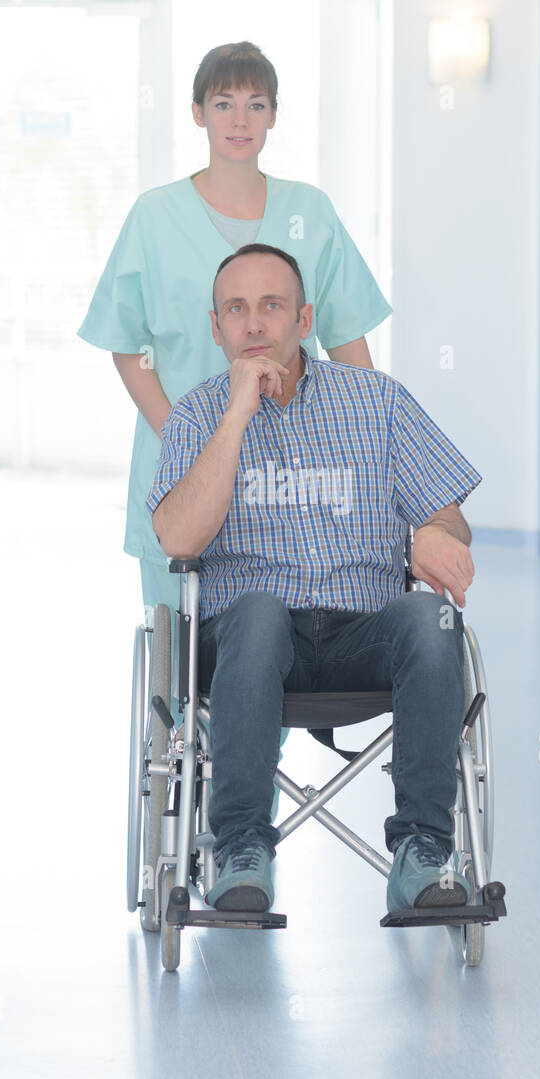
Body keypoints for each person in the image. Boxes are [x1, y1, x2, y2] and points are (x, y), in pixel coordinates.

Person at [147, 243, 483, 917]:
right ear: (215, 327)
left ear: (302, 319)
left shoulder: (377, 402)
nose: (253, 326)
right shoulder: (194, 414)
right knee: (262, 612)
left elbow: (451, 520)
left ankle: (424, 851)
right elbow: (178, 539)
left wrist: (431, 535)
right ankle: (240, 848)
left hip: (363, 633)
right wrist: (236, 415)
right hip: (247, 643)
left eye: (270, 306)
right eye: (235, 310)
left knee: (431, 619)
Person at [77, 41, 391, 628]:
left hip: (291, 473)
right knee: (183, 664)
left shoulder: (311, 213)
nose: (240, 120)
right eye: (223, 104)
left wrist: (368, 447)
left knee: (274, 652)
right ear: (198, 113)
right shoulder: (155, 215)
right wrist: (185, 439)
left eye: (256, 104)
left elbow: (346, 341)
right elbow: (128, 344)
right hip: (182, 460)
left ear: (274, 114)